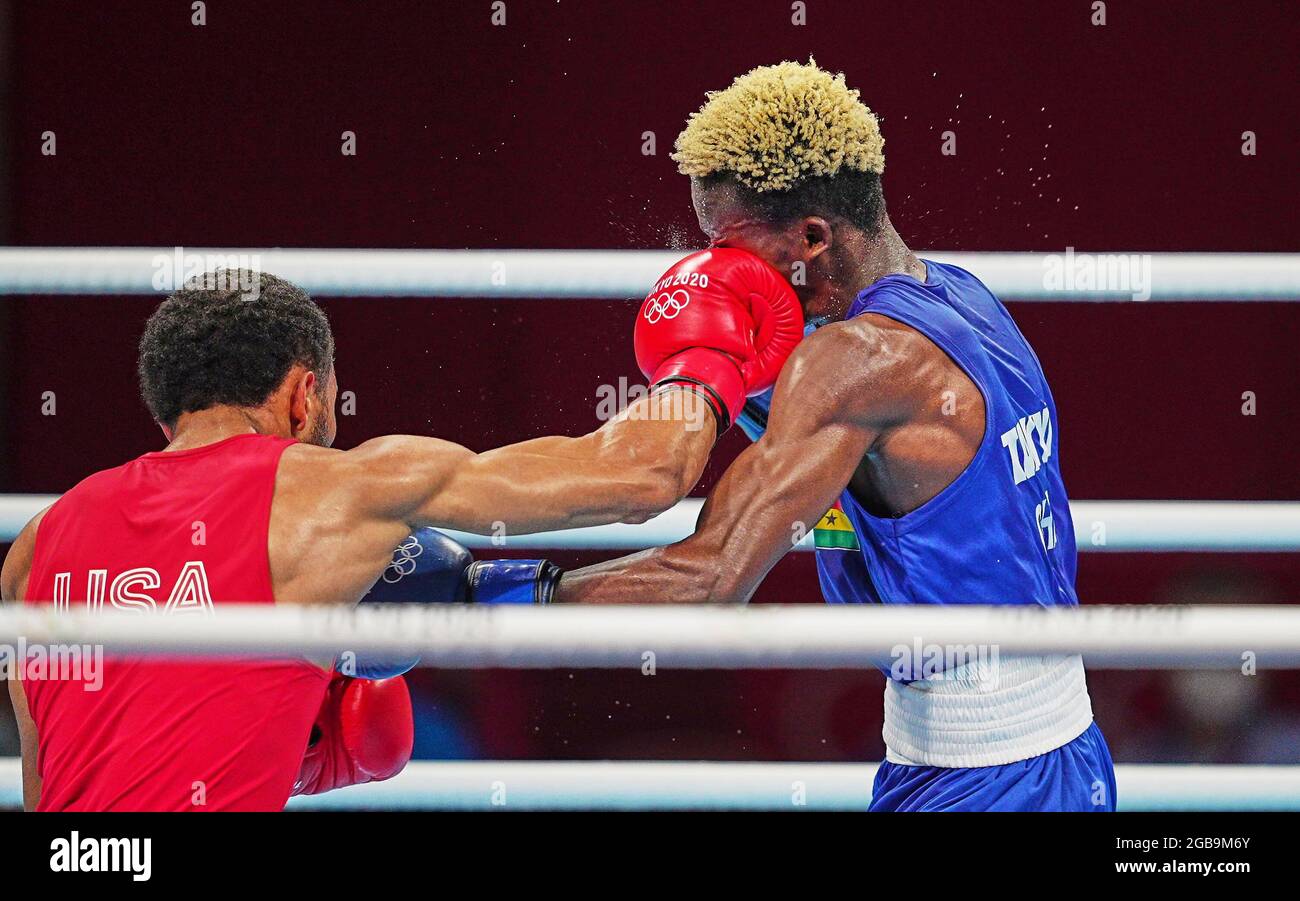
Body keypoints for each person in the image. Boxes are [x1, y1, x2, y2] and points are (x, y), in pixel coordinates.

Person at [0, 257, 802, 811]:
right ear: (304, 395)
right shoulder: (342, 487)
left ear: (163, 411)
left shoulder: (36, 544)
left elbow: (57, 801)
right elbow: (642, 477)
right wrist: (707, 357)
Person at [552, 60, 1117, 811]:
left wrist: (497, 603)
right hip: (1051, 753)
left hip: (987, 779)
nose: (724, 270)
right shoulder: (961, 299)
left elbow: (712, 578)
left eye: (731, 246)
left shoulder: (852, 363)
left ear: (812, 237)